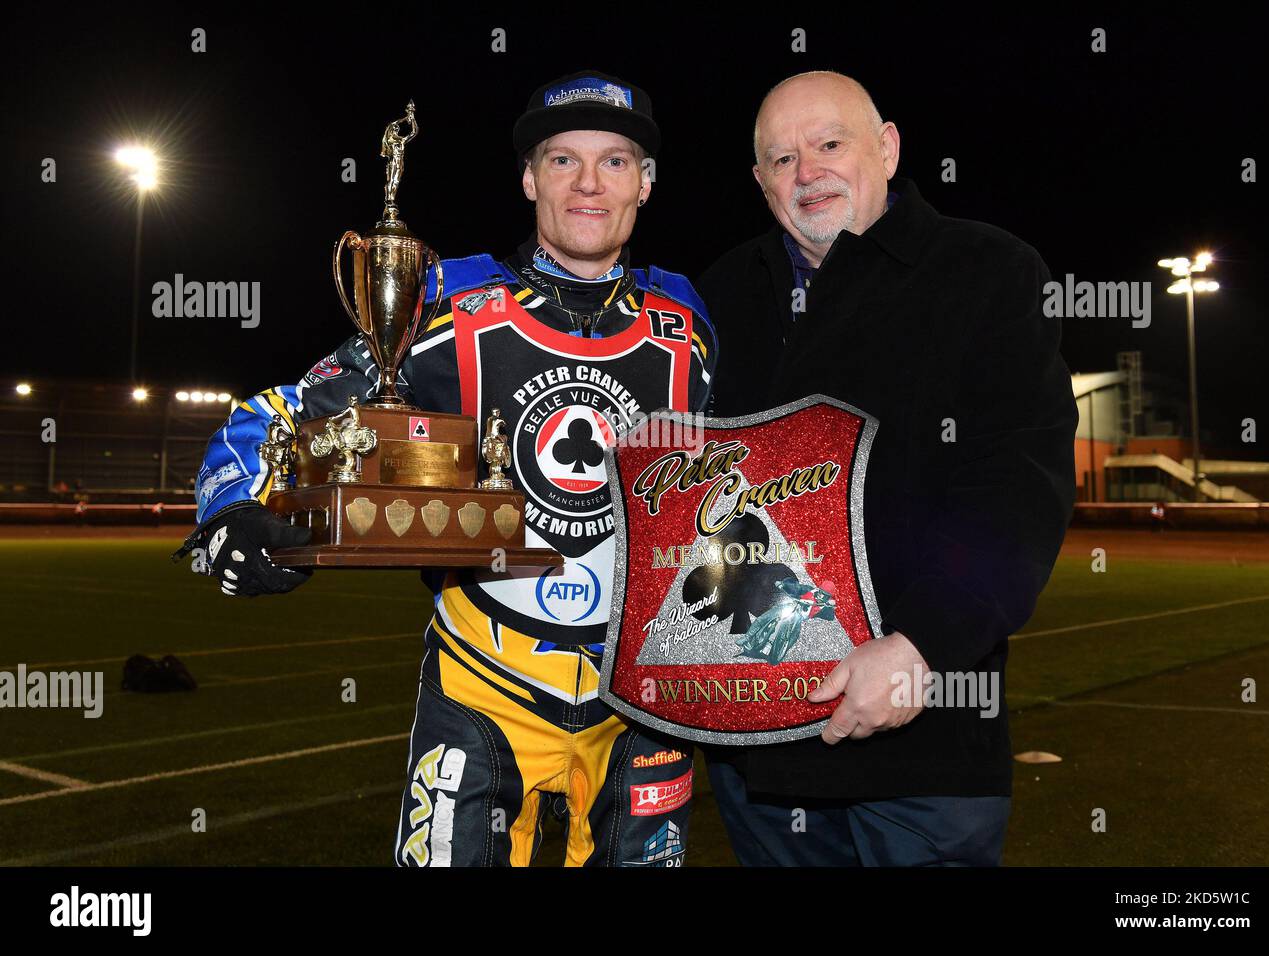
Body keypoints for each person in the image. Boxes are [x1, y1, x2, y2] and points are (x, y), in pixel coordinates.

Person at [176, 70, 716, 867]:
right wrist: (231, 508)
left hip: (639, 702)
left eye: (615, 161)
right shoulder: (447, 301)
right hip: (482, 686)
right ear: (530, 179)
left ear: (647, 182)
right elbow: (286, 412)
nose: (589, 183)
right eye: (563, 160)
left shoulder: (690, 321)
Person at [695, 71, 1077, 866]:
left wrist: (920, 646)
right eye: (782, 157)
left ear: (889, 148)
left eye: (829, 144)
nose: (808, 173)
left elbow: (1019, 485)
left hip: (923, 750)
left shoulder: (988, 270)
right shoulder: (721, 294)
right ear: (760, 180)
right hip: (758, 753)